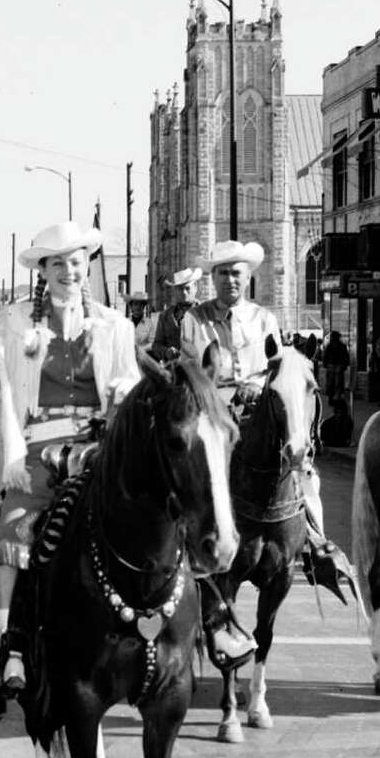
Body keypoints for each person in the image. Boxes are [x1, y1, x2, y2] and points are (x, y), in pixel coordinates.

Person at [0, 219, 140, 690]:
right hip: (37, 446)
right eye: (58, 265)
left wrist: (123, 387)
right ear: (44, 272)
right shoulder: (17, 324)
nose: (69, 272)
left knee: (145, 517)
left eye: (76, 263)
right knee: (13, 524)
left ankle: (174, 618)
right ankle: (10, 642)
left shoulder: (115, 326)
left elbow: (130, 378)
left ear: (86, 266)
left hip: (97, 445)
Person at [178, 237, 347, 605]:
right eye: (222, 273)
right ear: (214, 278)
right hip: (214, 410)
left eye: (236, 273)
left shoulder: (264, 319)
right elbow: (191, 370)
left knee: (301, 468)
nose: (230, 280)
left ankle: (315, 541)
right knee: (196, 468)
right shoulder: (195, 320)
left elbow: (278, 368)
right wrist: (219, 396)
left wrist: (258, 390)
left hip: (257, 408)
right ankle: (185, 538)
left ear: (248, 277)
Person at [148, 266, 202, 361]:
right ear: (175, 291)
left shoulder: (204, 314)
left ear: (195, 287)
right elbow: (156, 346)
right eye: (180, 289)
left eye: (187, 288)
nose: (184, 292)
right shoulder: (165, 316)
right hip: (174, 370)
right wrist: (166, 351)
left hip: (198, 369)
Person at [321, 329, 352, 400]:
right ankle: (336, 396)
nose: (331, 338)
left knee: (332, 382)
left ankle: (333, 396)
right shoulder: (341, 346)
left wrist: (325, 364)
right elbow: (346, 357)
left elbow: (325, 356)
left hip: (334, 366)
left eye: (332, 337)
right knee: (336, 382)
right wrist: (344, 365)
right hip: (336, 366)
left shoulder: (330, 346)